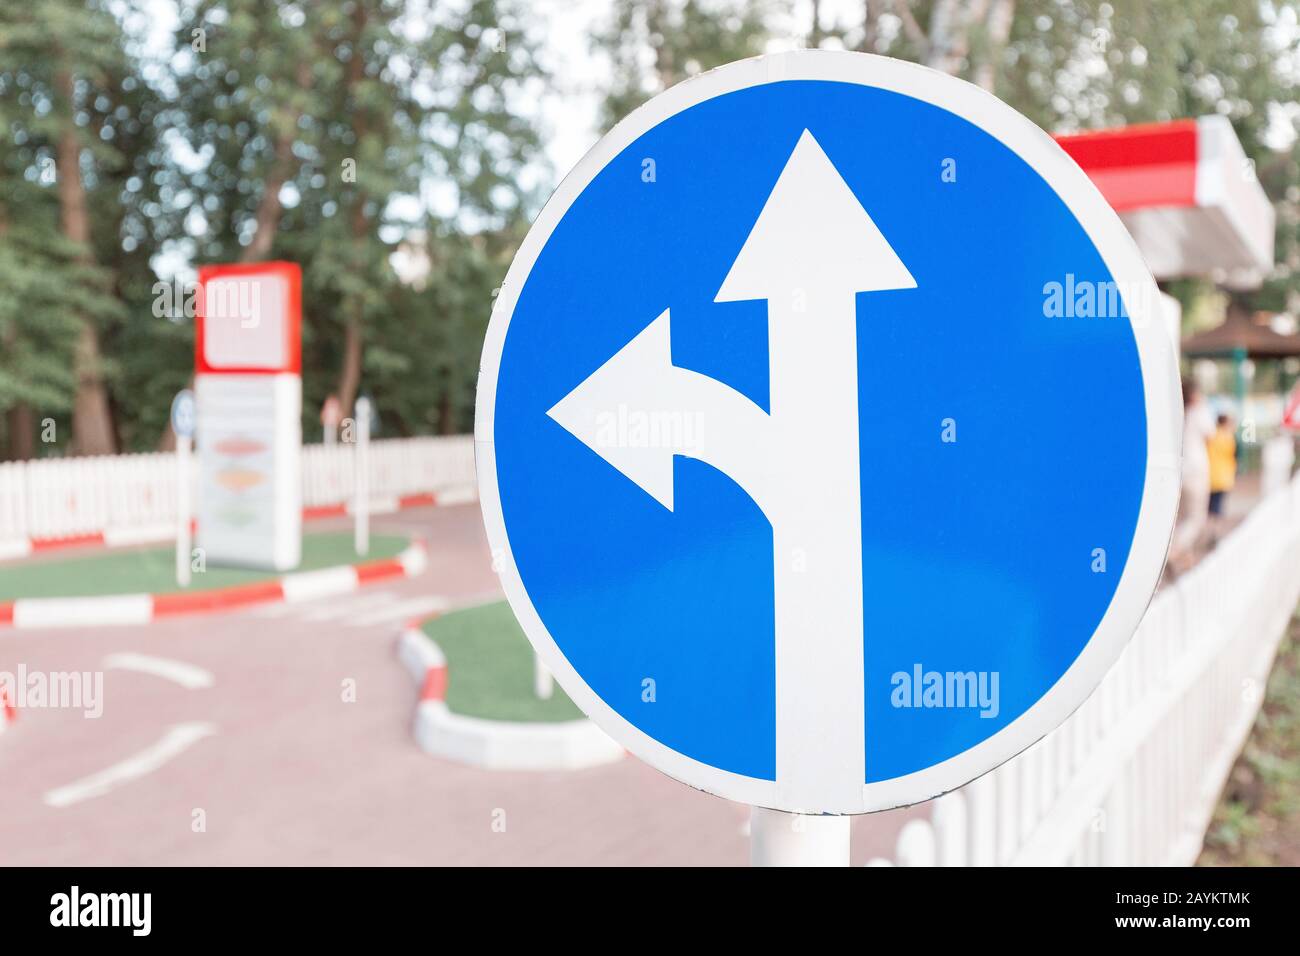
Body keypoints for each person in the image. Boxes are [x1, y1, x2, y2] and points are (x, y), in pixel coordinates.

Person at [1169, 377, 1214, 574]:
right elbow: (1211, 434)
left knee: (1183, 518)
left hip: (1181, 471)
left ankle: (1184, 558)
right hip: (1196, 470)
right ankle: (1173, 552)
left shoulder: (1177, 413)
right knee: (1196, 519)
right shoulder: (1198, 412)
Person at [1206, 413, 1237, 545]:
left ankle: (1210, 533)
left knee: (1210, 507)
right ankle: (1215, 534)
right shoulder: (1228, 437)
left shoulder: (1211, 436)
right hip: (1223, 477)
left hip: (1210, 477)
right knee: (1218, 508)